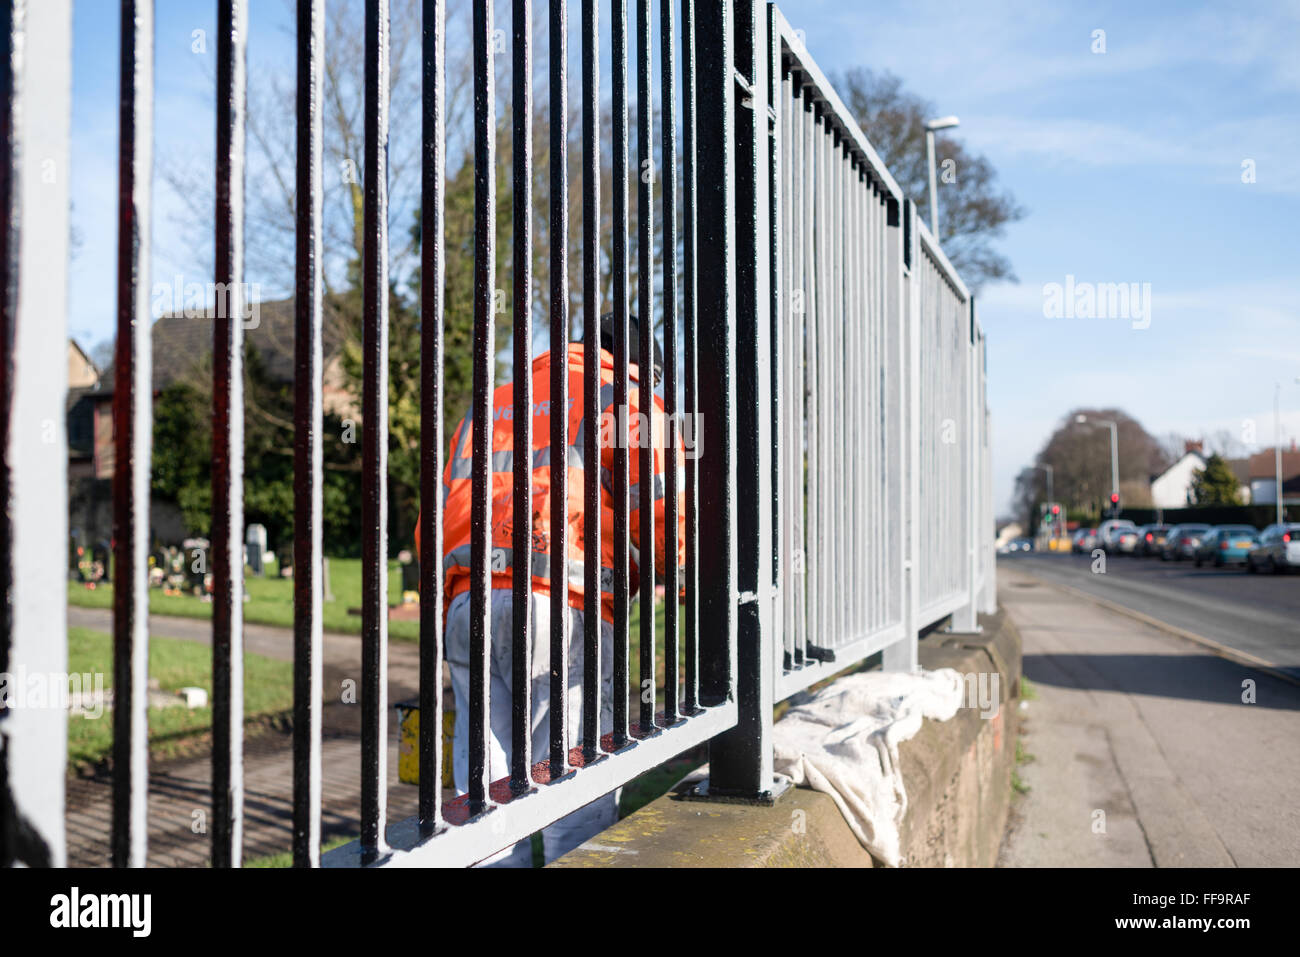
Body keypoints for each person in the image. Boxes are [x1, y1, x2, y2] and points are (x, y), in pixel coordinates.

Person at [416, 312, 685, 866]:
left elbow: (438, 515)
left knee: (484, 782)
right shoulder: (623, 398)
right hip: (564, 600)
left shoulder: (495, 400)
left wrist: (446, 591)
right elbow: (661, 508)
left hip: (472, 598)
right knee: (572, 780)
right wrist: (682, 573)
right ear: (641, 367)